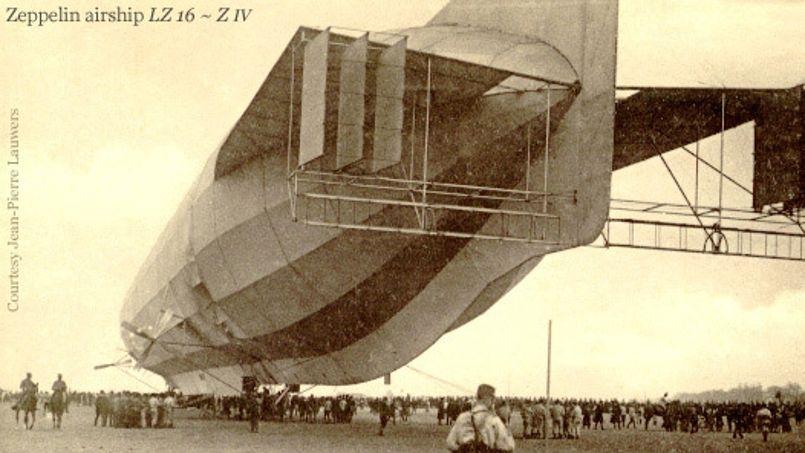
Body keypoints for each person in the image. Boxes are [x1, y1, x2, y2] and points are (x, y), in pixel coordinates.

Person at [446, 384, 515, 452]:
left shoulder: (462, 417)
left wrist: (462, 449)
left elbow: (449, 443)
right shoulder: (494, 420)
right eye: (493, 399)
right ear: (491, 399)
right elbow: (508, 446)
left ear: (477, 397)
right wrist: (506, 423)